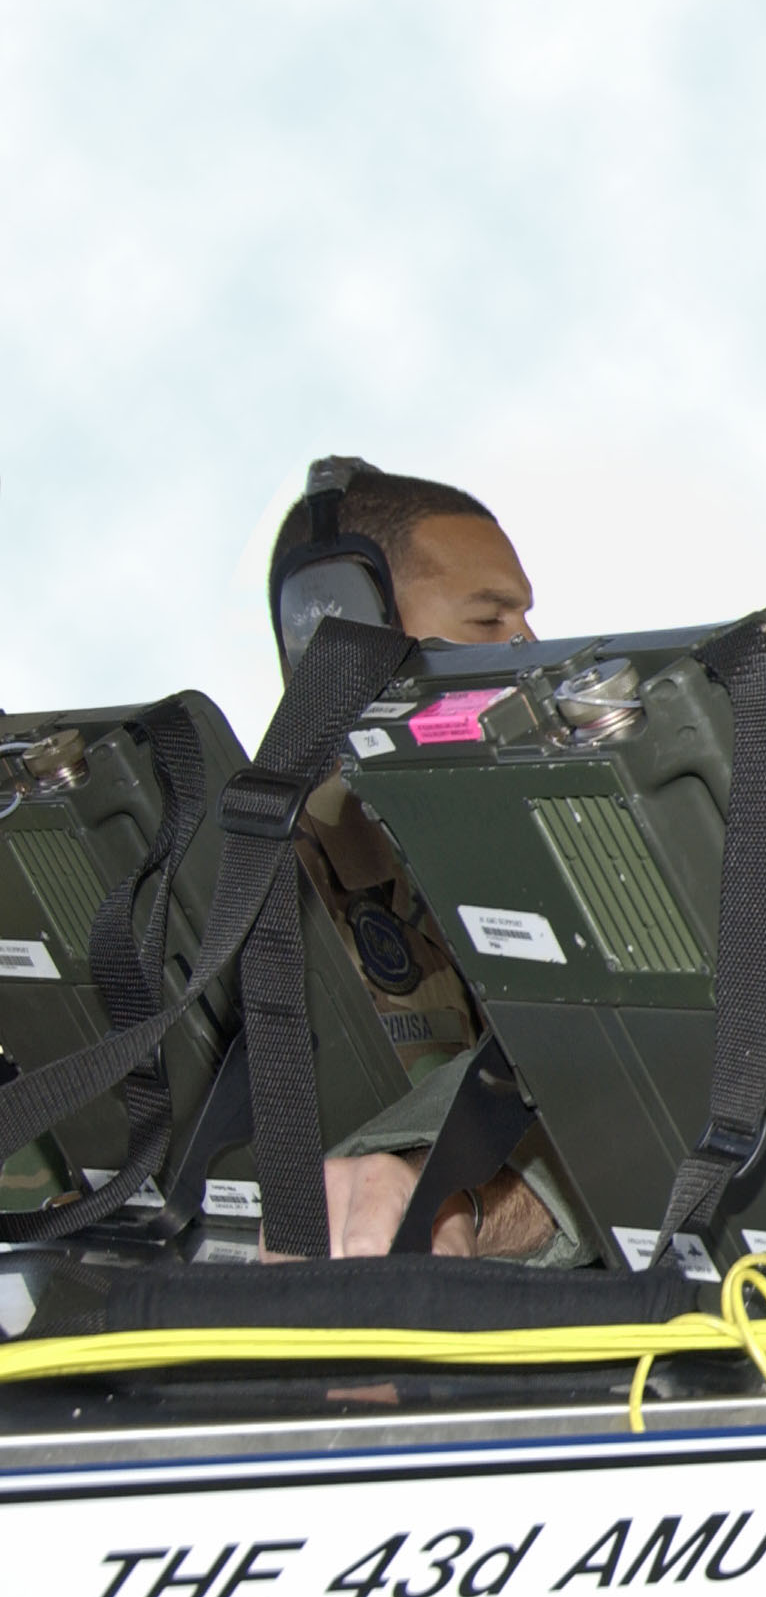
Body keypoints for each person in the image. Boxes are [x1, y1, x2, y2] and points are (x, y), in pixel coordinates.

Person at [264, 466, 577, 1263]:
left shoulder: (536, 849)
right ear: (343, 627)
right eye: (489, 618)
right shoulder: (249, 881)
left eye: (525, 618)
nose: (528, 650)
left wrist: (472, 1205)